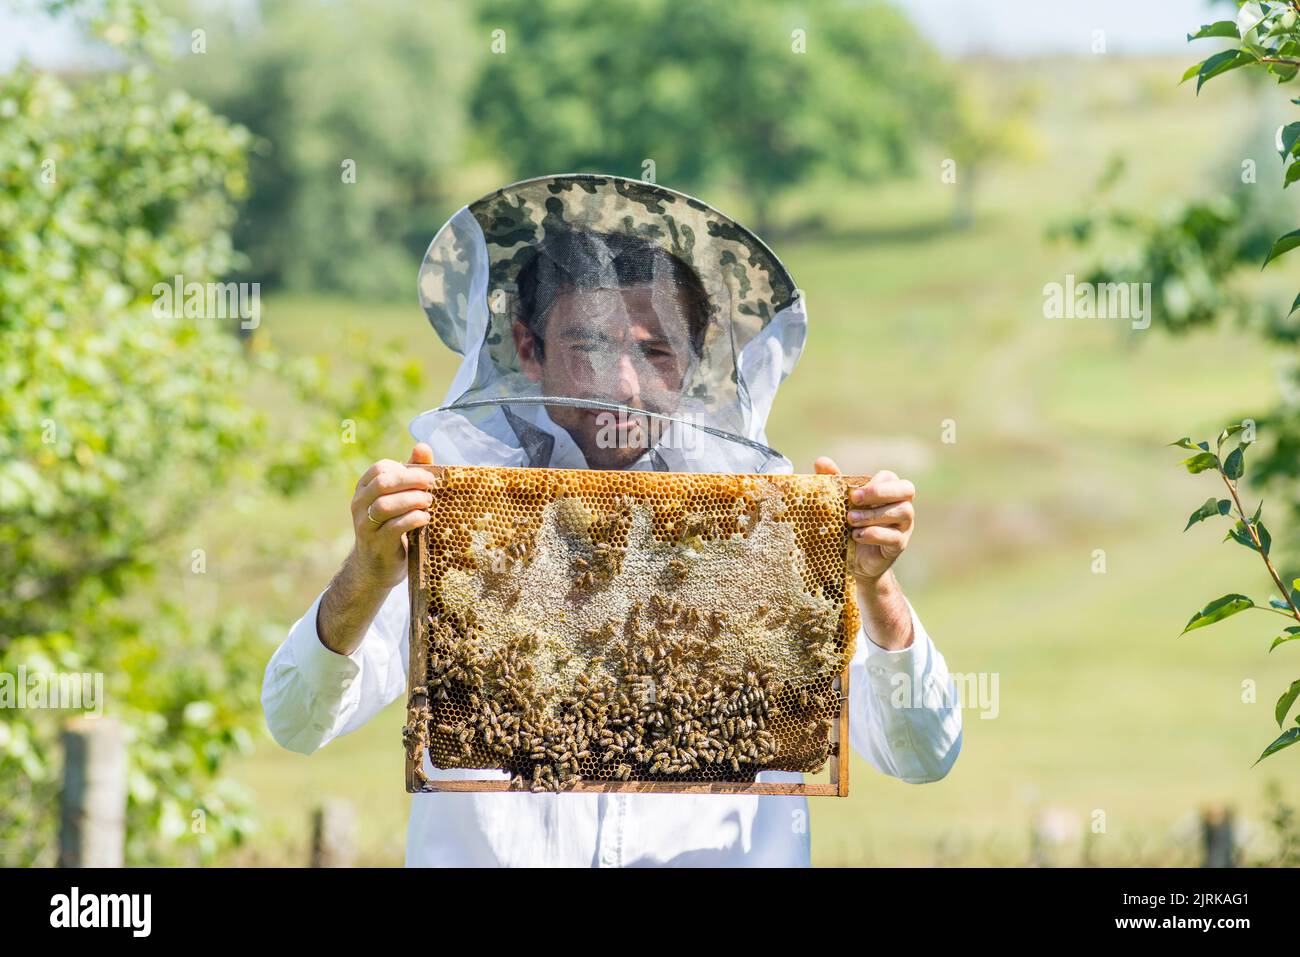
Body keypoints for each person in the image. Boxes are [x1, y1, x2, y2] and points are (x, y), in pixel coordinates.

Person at [262, 174, 962, 866]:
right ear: (528, 348)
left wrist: (877, 593)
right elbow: (295, 719)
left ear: (693, 363)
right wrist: (366, 575)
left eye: (655, 350)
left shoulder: (766, 531)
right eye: (593, 347)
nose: (625, 386)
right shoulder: (458, 530)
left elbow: (924, 752)